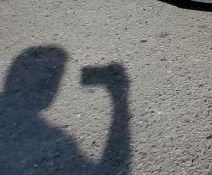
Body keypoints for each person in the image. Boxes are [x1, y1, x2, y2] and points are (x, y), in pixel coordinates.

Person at [0, 46, 130, 174]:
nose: (53, 85)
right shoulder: (47, 141)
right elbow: (112, 170)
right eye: (52, 75)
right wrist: (119, 98)